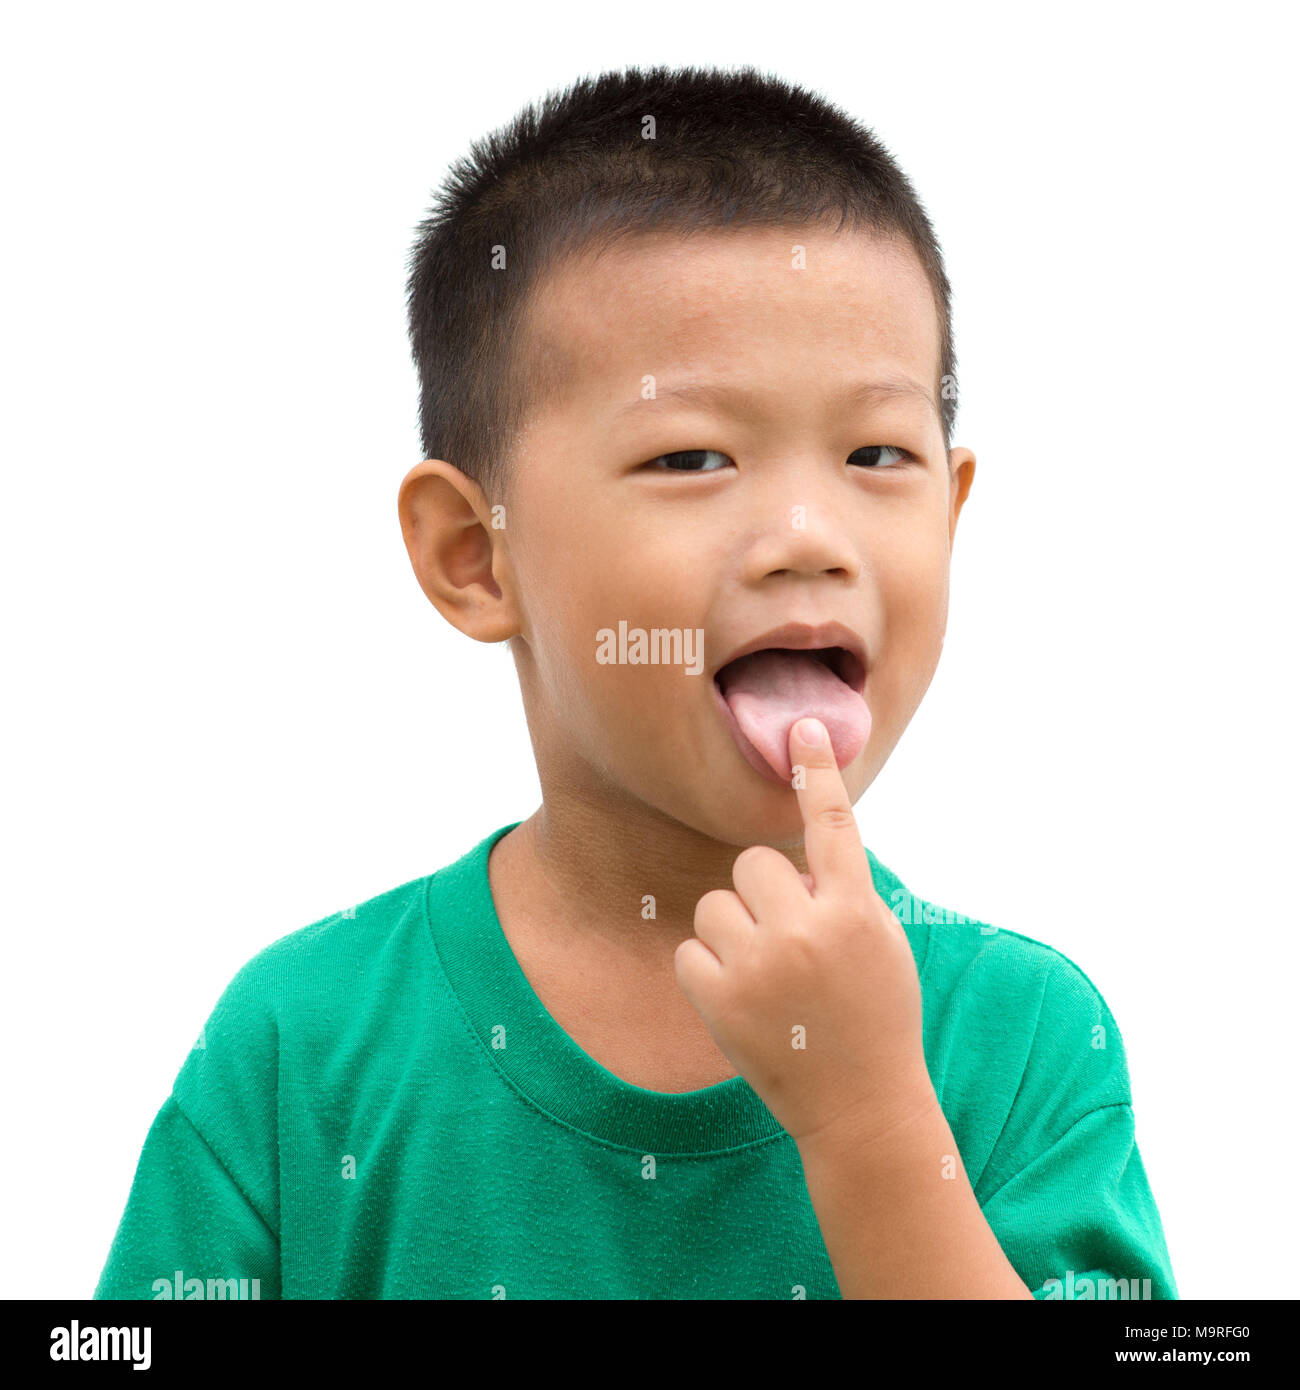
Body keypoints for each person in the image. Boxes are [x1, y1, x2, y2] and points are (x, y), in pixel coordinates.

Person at [95, 64, 1177, 1300]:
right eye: (691, 456)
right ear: (473, 554)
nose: (809, 534)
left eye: (878, 452)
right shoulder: (299, 1044)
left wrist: (872, 1119)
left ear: (953, 509)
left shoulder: (1027, 1039)